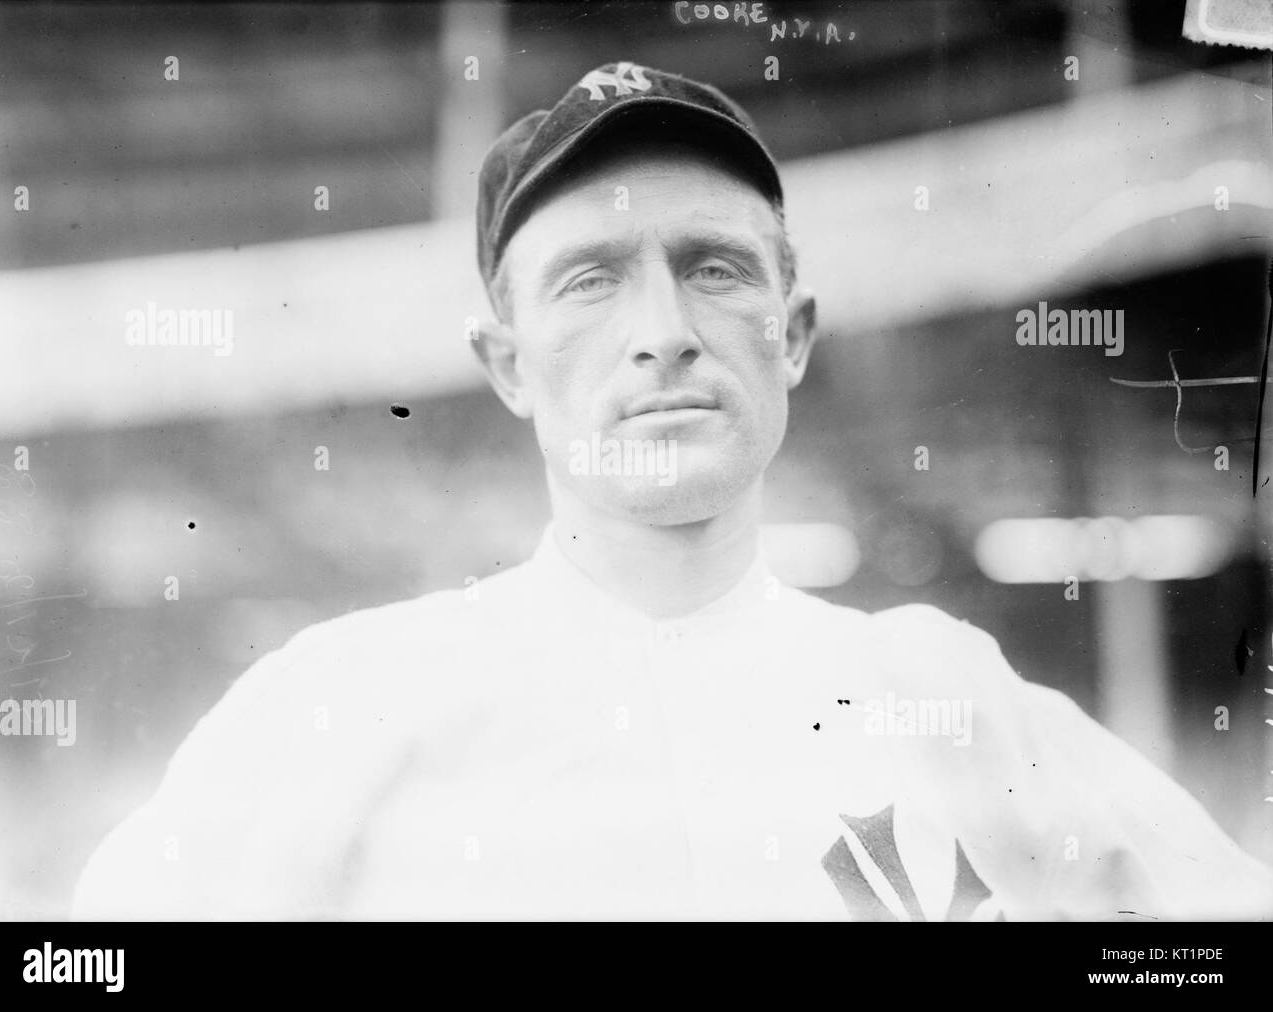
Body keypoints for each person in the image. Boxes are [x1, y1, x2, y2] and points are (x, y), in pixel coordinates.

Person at [72, 61, 1273, 921]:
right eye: (590, 280)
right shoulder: (339, 703)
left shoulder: (944, 693)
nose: (663, 333)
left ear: (792, 334)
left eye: (712, 268)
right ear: (506, 365)